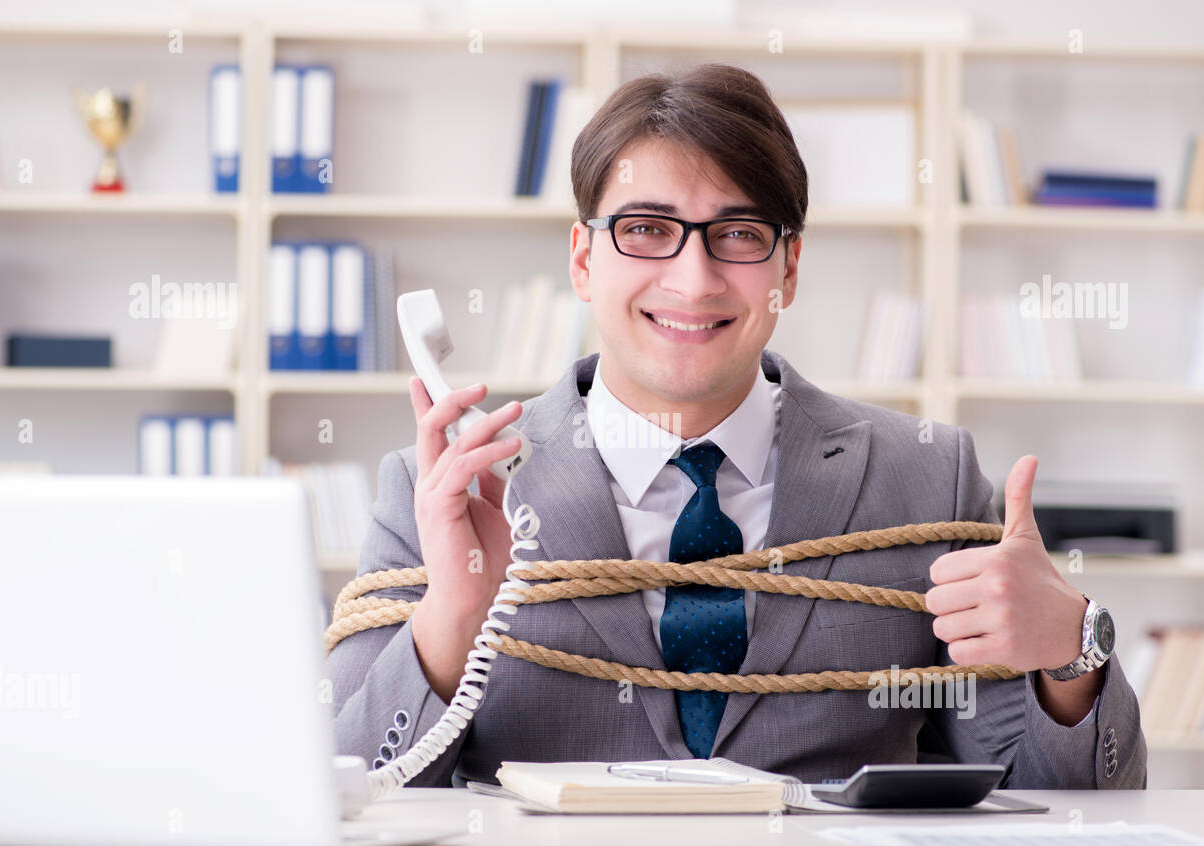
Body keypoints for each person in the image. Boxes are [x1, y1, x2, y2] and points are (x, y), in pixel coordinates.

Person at [327, 62, 1145, 789]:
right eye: (647, 229)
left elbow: (1053, 807)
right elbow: (344, 793)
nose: (694, 277)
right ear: (583, 259)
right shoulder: (447, 490)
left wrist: (1072, 653)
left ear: (788, 267)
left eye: (740, 235)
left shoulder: (925, 476)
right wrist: (451, 621)